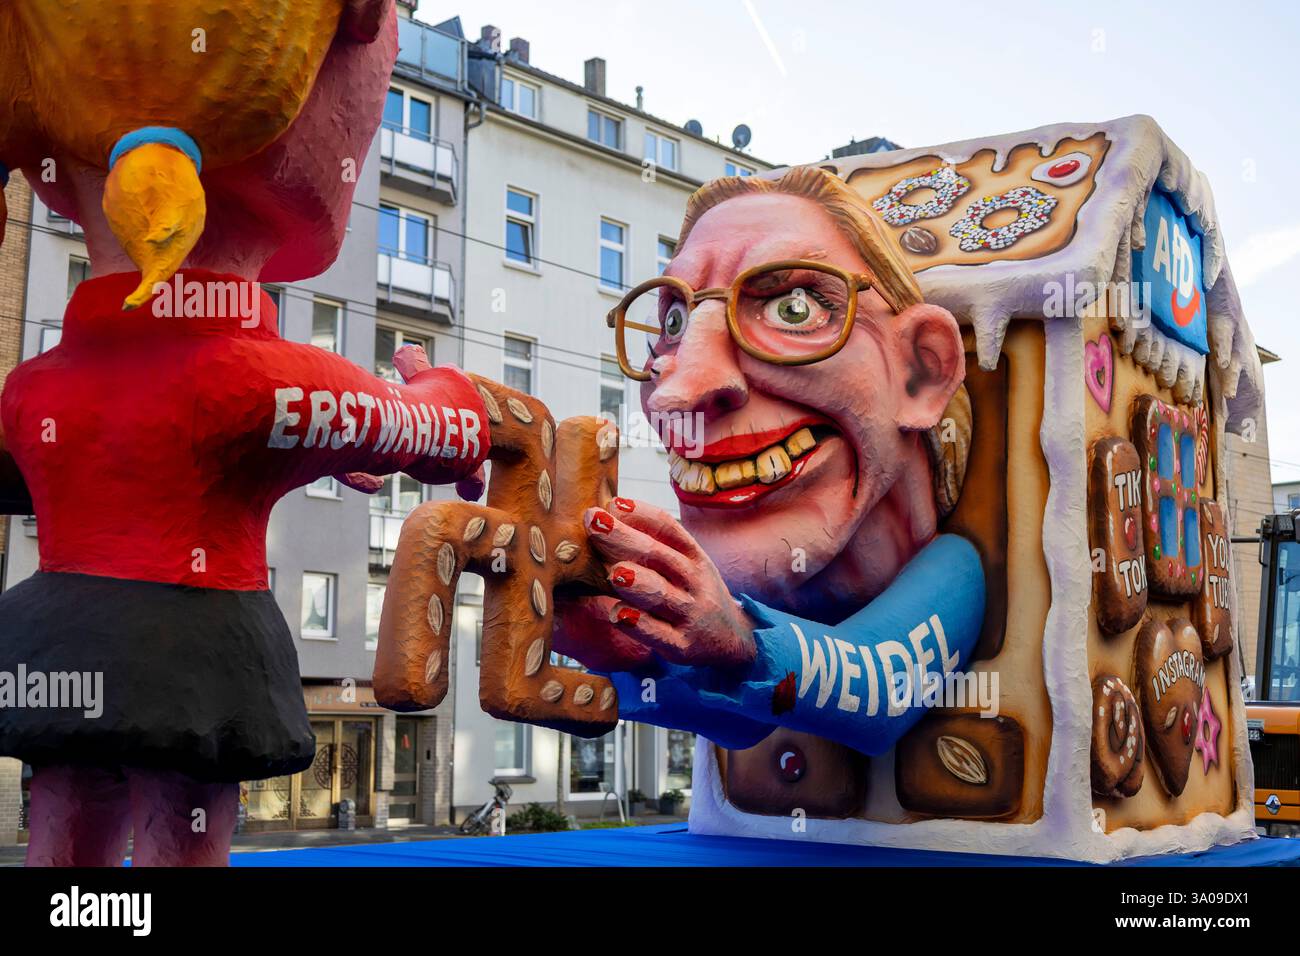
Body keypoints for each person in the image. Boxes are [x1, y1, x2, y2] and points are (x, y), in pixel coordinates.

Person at [0, 0, 488, 866]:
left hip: (56, 641)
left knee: (65, 829)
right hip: (197, 651)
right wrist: (443, 390)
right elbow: (432, 429)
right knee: (183, 839)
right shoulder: (252, 382)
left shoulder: (35, 387)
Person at [556, 166, 986, 761]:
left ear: (921, 368)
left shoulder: (954, 566)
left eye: (792, 307)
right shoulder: (753, 583)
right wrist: (614, 652)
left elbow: (884, 689)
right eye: (675, 322)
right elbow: (740, 726)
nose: (675, 392)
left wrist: (743, 646)